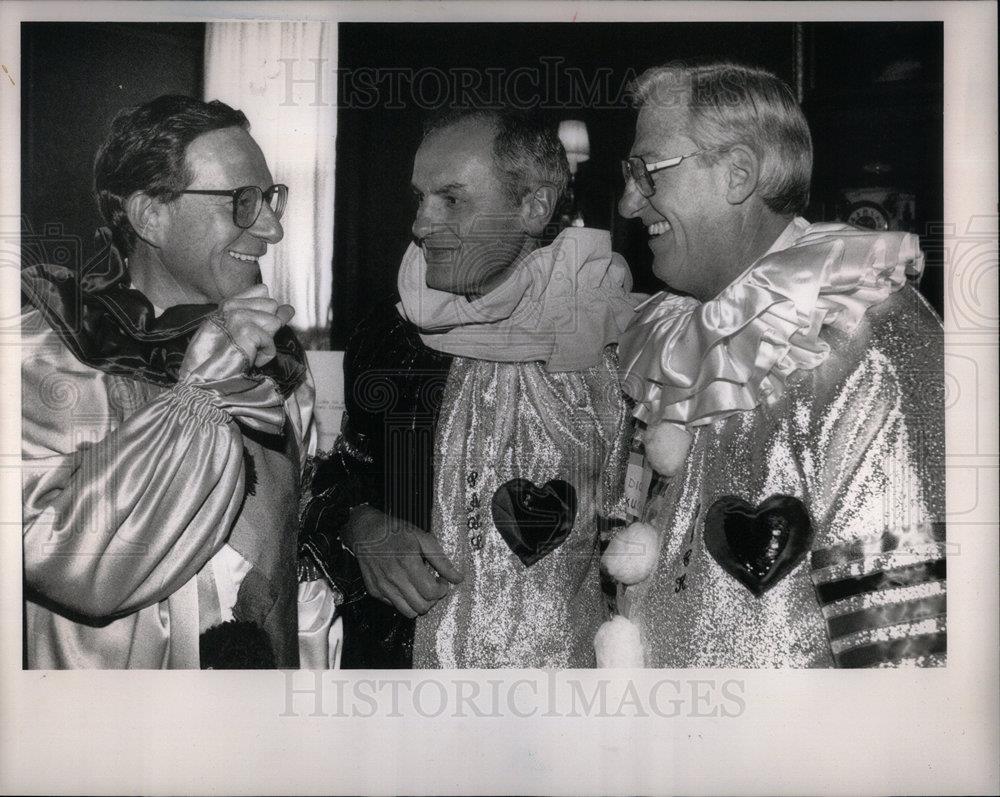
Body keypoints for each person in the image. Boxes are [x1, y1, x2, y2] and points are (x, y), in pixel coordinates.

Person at [601, 63, 945, 668]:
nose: (629, 202)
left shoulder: (863, 333)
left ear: (738, 174)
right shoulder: (676, 334)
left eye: (647, 171)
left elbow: (903, 644)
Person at [301, 107, 641, 668]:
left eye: (451, 200)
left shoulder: (616, 339)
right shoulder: (392, 338)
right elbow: (334, 481)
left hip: (574, 704)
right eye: (420, 197)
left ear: (533, 207)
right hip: (401, 688)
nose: (420, 223)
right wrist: (361, 527)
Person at [21, 95, 317, 668]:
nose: (273, 227)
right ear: (150, 215)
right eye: (242, 201)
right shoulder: (51, 351)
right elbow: (71, 563)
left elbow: (289, 556)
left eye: (270, 197)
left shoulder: (275, 357)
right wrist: (200, 392)